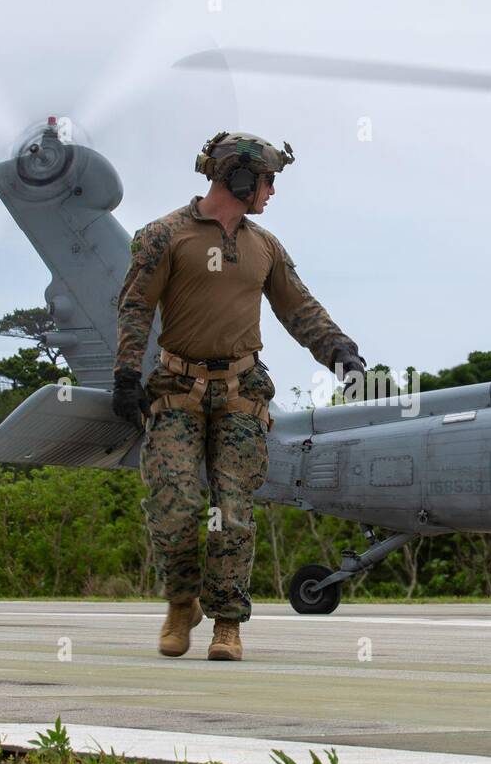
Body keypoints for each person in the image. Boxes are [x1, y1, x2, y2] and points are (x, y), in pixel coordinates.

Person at [112, 131, 365, 661]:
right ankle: (182, 603)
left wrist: (341, 354)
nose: (271, 193)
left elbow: (299, 308)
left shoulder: (264, 246)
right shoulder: (164, 236)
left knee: (233, 512)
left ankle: (227, 622)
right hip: (176, 389)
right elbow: (135, 308)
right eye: (268, 181)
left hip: (241, 393)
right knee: (174, 505)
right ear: (242, 177)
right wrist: (124, 376)